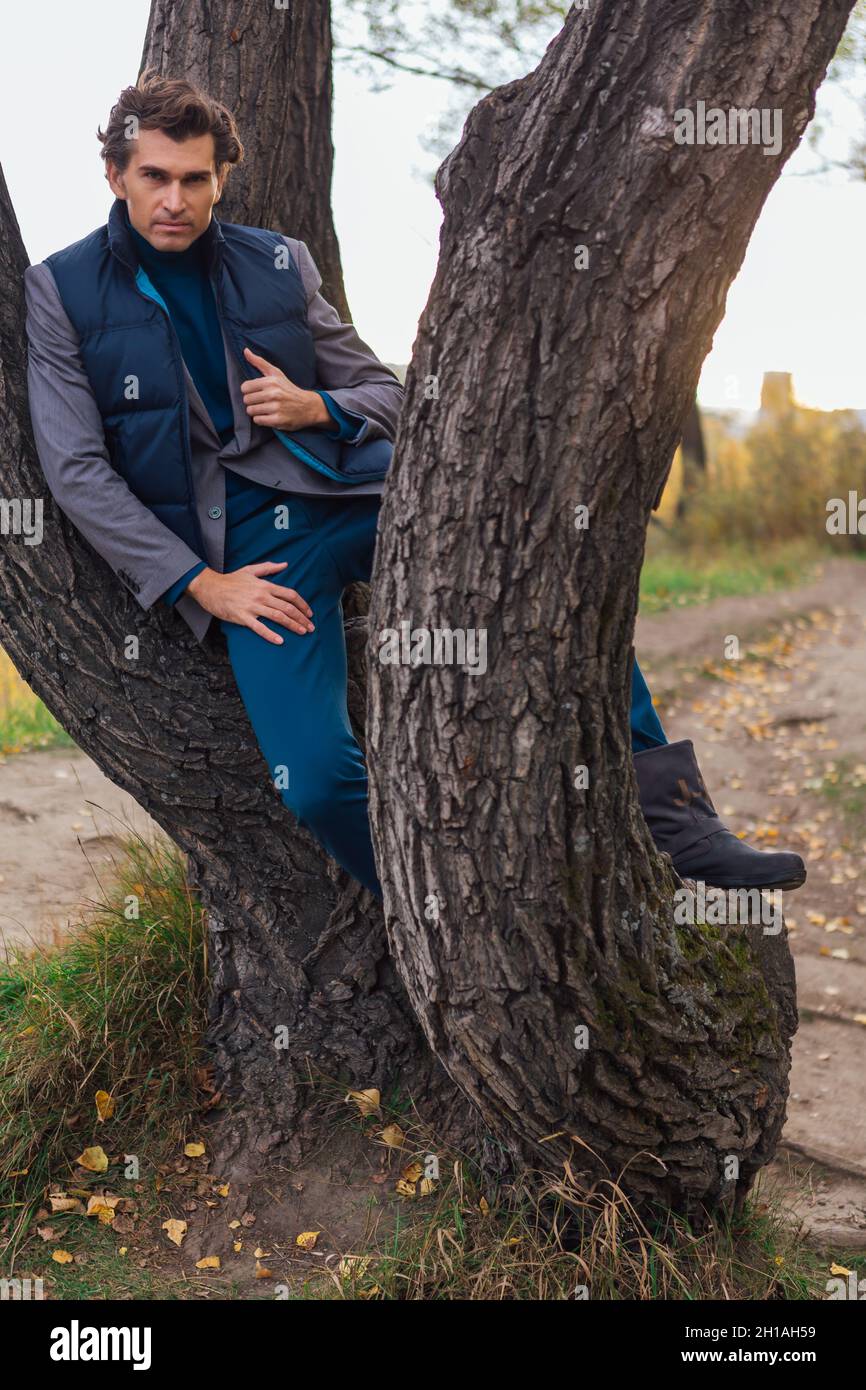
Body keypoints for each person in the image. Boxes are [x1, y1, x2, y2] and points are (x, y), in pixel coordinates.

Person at [24, 73, 805, 902]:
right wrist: (200, 584)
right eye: (155, 177)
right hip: (247, 562)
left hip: (354, 496)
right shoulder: (62, 292)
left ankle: (680, 822)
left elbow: (388, 395)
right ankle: (462, 919)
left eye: (194, 179)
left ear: (220, 179)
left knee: (546, 563)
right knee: (315, 782)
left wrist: (313, 404)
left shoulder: (280, 262)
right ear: (116, 175)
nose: (174, 199)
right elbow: (76, 471)